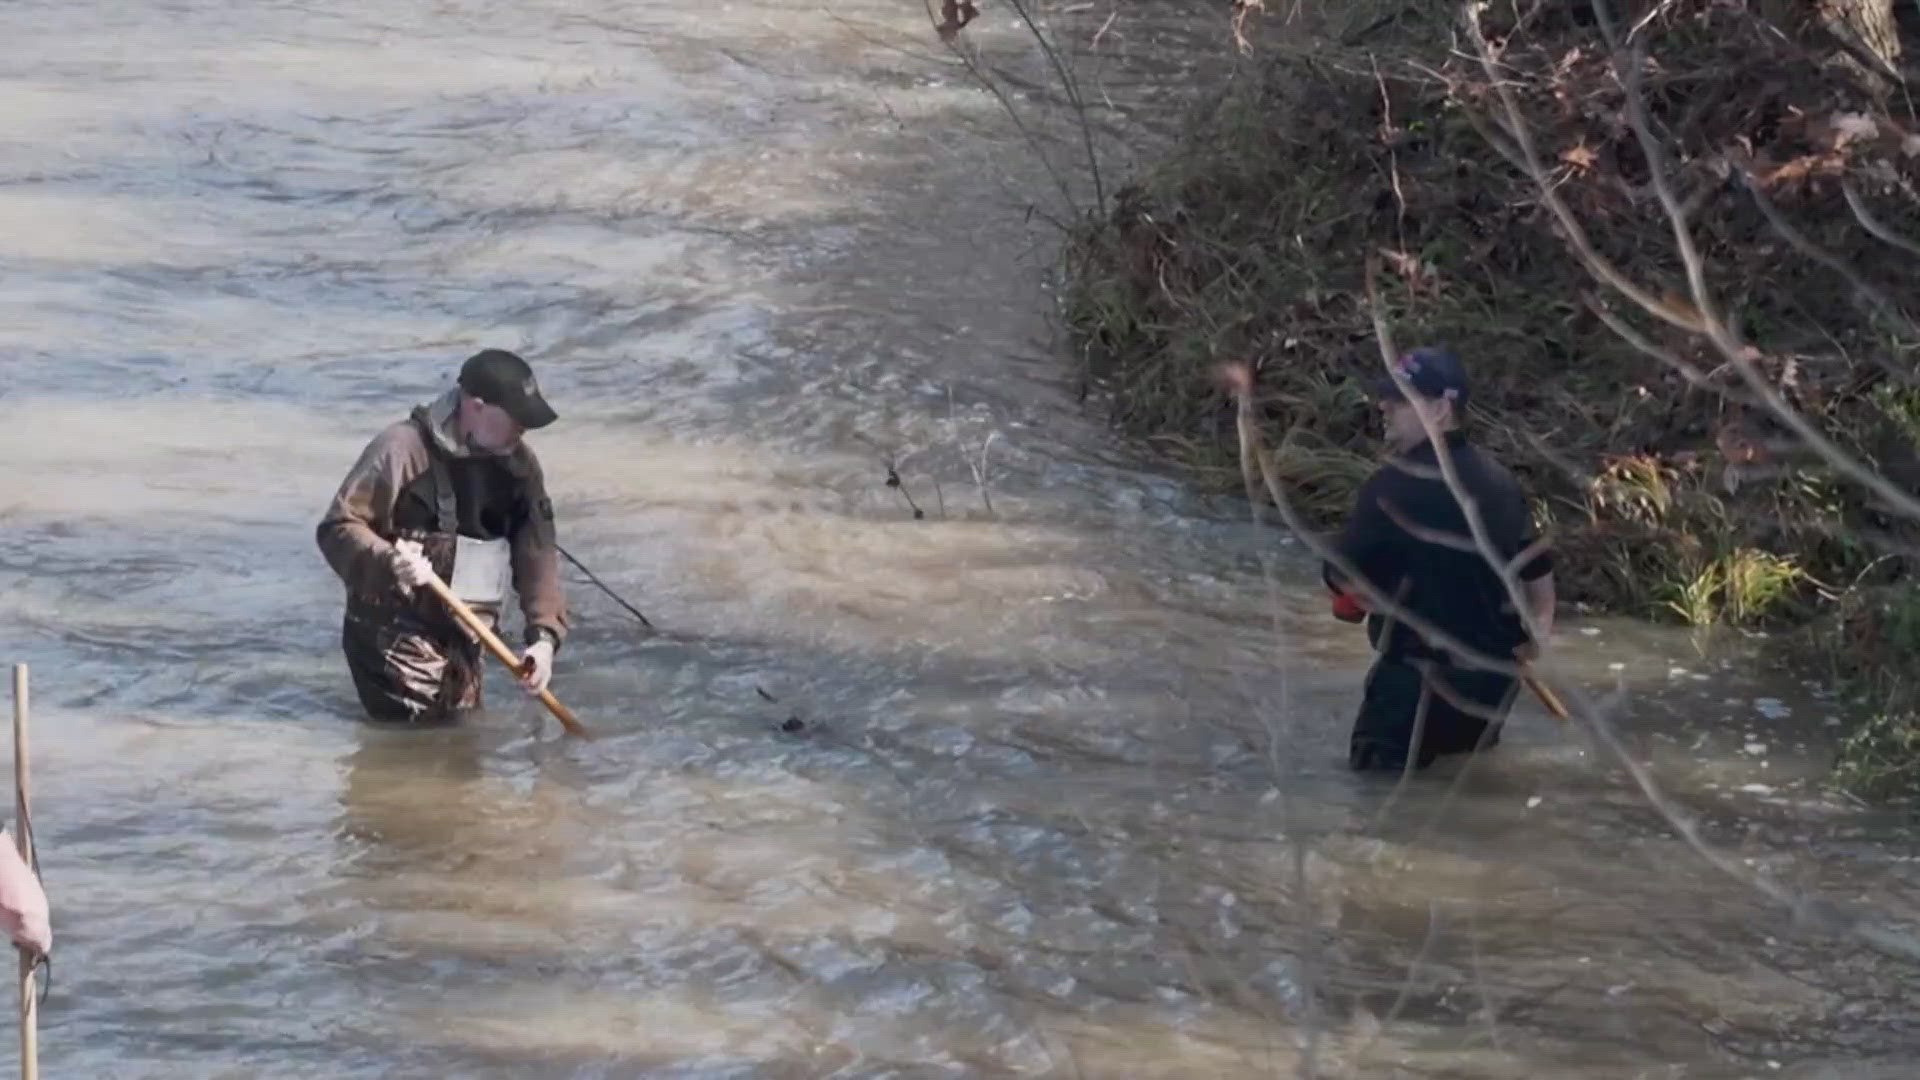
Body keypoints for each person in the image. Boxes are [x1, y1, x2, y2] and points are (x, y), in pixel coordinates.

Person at [1322, 347, 1555, 772]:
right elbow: (1539, 576)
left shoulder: (1389, 487)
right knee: (1465, 794)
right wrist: (1535, 637)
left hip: (1413, 688)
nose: (1384, 408)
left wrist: (1370, 600)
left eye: (1399, 401)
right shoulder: (1502, 484)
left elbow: (1343, 577)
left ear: (1441, 408)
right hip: (1493, 683)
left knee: (1377, 806)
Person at [317, 349, 570, 724]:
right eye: (516, 419)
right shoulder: (400, 448)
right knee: (424, 746)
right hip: (392, 637)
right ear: (476, 406)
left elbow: (538, 552)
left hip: (467, 637)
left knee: (463, 749)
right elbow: (338, 527)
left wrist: (544, 640)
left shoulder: (521, 467)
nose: (523, 430)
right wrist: (391, 562)